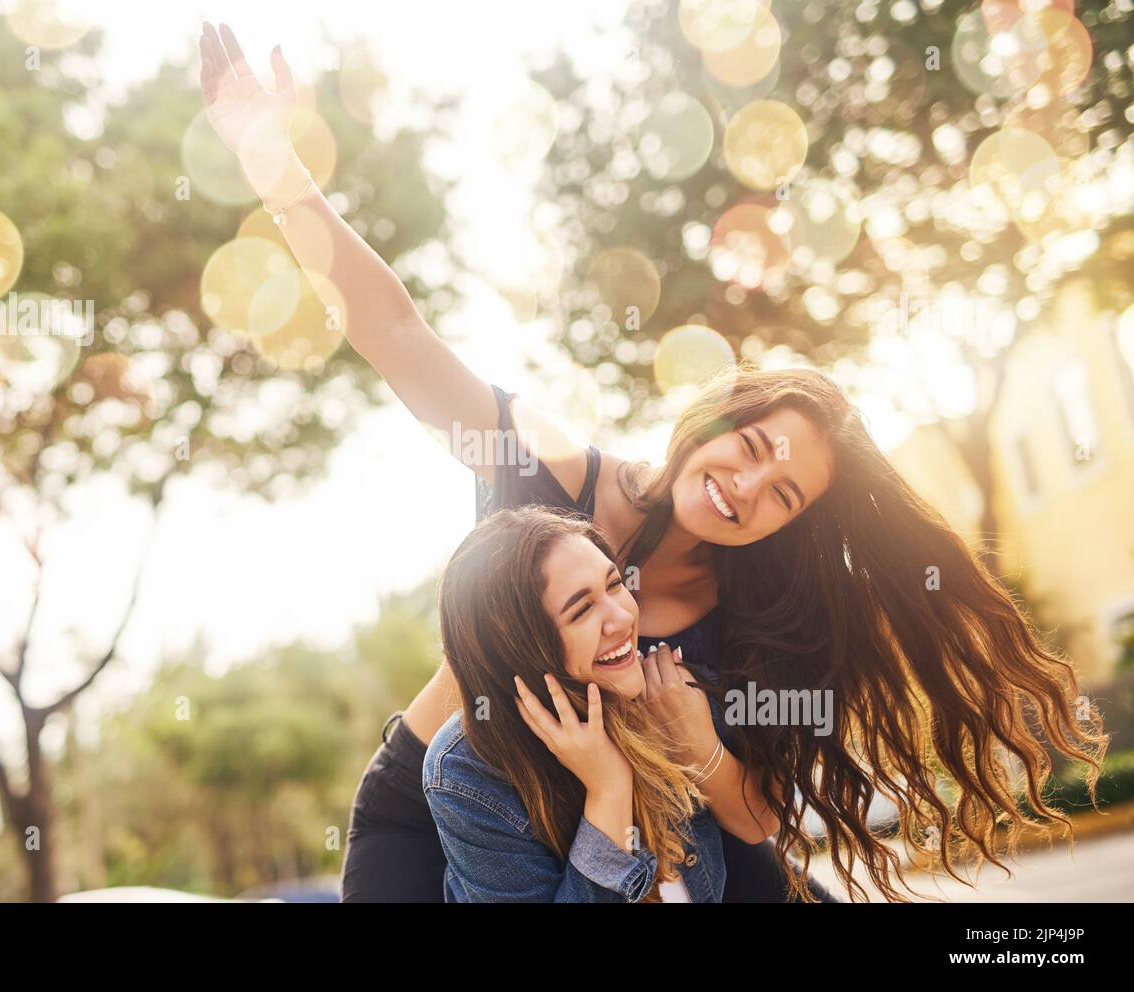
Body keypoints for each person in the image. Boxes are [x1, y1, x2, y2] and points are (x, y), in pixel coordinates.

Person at [196, 24, 1109, 903]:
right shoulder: (556, 473)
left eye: (783, 493)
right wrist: (278, 174)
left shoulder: (760, 613)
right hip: (442, 814)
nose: (747, 488)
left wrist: (698, 740)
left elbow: (753, 816)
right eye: (749, 449)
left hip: (650, 817)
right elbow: (397, 333)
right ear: (711, 418)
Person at [425, 506, 727, 902]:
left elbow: (762, 822)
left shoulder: (666, 695)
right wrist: (608, 790)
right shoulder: (467, 774)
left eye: (615, 584)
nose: (621, 618)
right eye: (582, 609)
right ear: (524, 650)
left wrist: (703, 744)